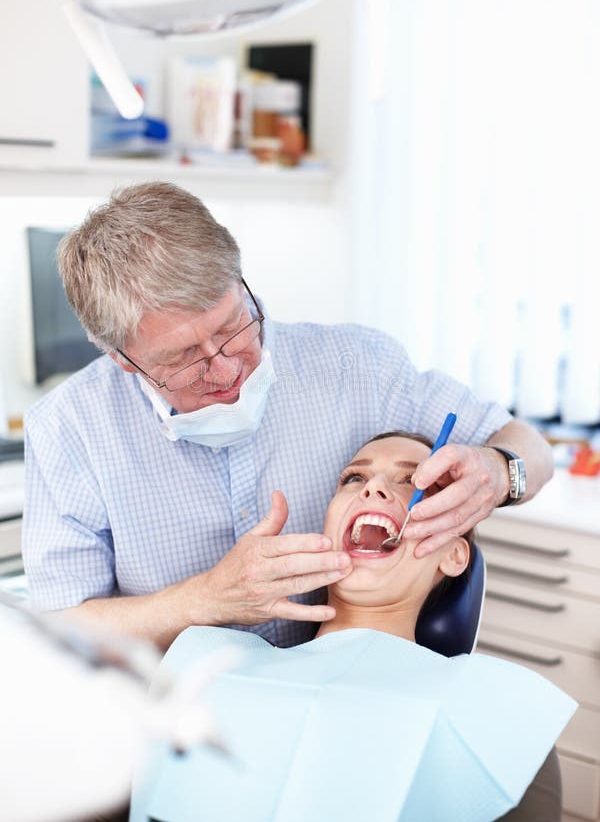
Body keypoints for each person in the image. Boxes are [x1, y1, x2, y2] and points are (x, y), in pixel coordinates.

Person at [22, 181, 553, 651]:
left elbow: (529, 447)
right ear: (122, 359)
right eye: (182, 359)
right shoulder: (69, 431)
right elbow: (59, 631)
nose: (225, 369)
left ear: (242, 284)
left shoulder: (357, 367)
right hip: (176, 712)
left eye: (232, 327)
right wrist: (205, 599)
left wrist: (500, 470)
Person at [129, 432, 573, 822]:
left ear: (454, 555)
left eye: (411, 481)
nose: (374, 488)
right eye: (354, 479)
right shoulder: (206, 666)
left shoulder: (499, 716)